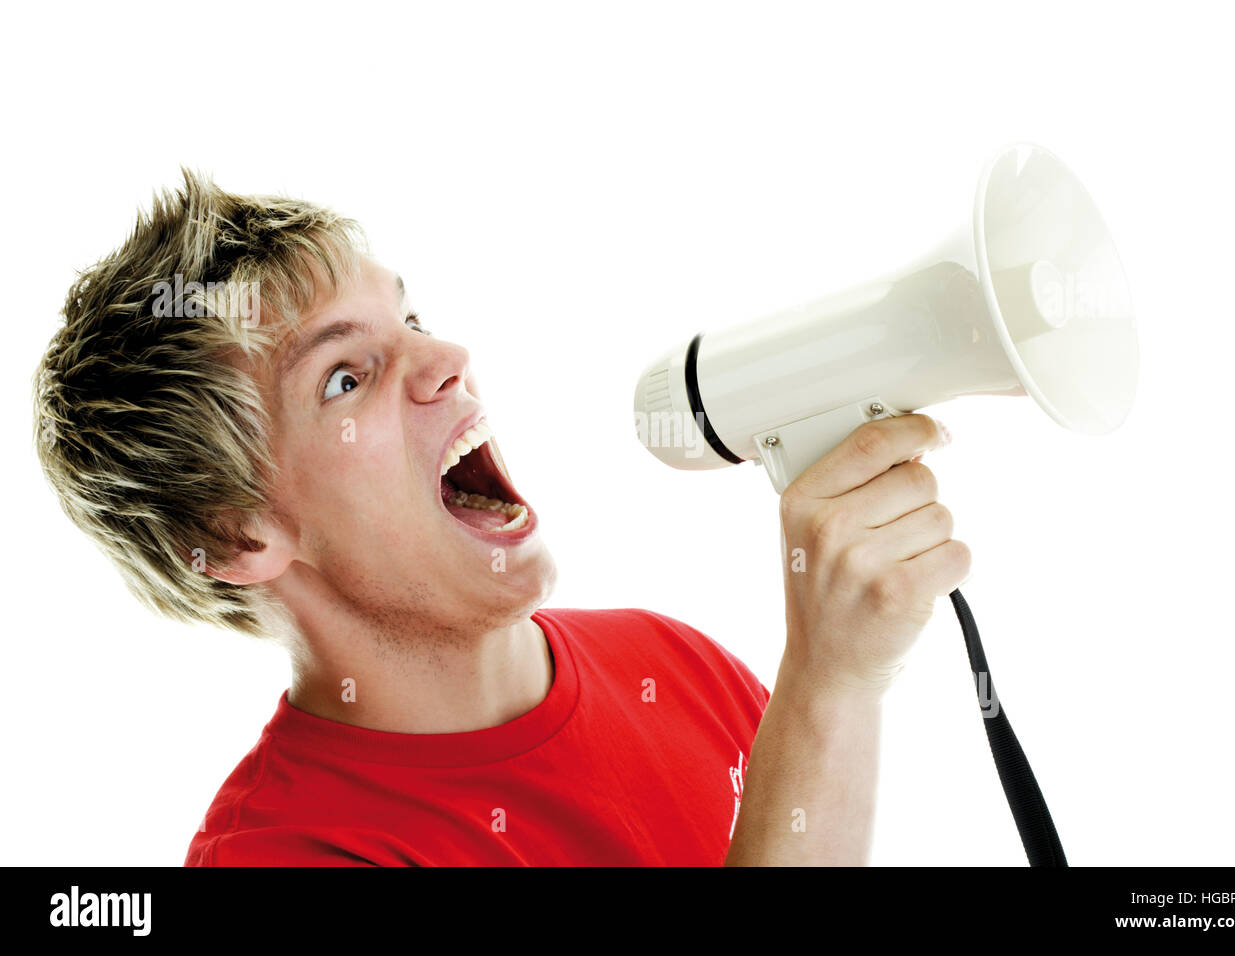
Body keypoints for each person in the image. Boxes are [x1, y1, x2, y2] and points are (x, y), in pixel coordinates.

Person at [32, 171, 969, 866]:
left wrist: (823, 695)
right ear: (239, 537)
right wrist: (829, 692)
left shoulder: (675, 665)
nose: (446, 357)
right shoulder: (285, 856)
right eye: (345, 377)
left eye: (413, 318)